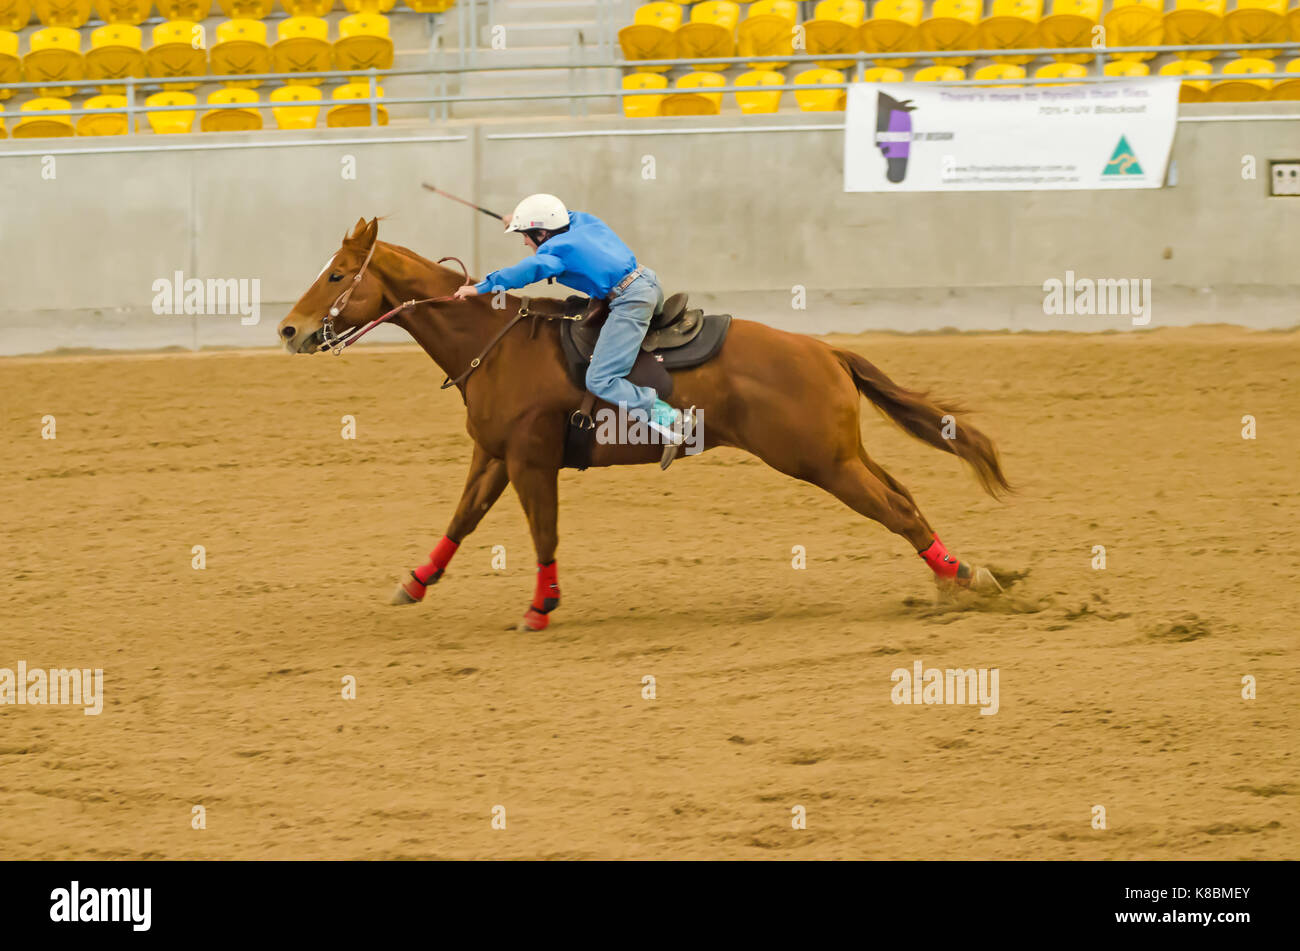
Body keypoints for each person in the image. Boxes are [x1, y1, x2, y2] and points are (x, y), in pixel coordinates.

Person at [453, 193, 692, 445]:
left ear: (543, 234)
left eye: (525, 234)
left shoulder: (555, 253)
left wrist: (482, 287)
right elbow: (558, 215)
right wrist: (521, 219)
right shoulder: (581, 221)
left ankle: (670, 419)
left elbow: (528, 270)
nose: (524, 242)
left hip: (631, 300)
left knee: (600, 379)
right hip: (649, 282)